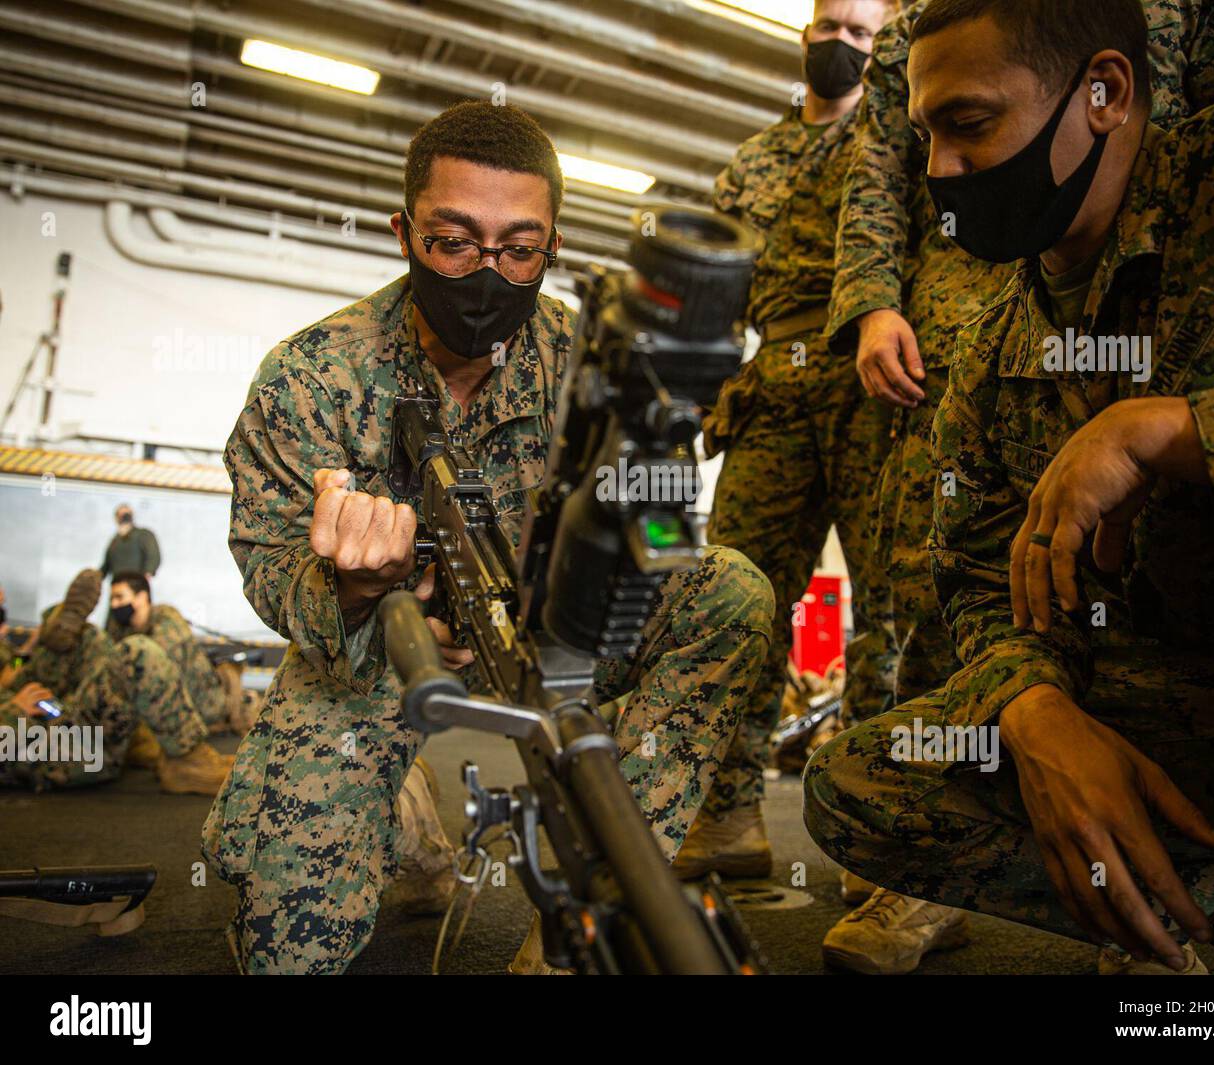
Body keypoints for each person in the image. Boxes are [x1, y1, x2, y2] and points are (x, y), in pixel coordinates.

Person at [202, 100, 774, 975]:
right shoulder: (312, 374)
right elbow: (272, 567)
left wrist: (637, 508)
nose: (488, 272)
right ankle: (397, 810)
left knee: (731, 588)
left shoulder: (587, 353)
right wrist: (354, 588)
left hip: (555, 628)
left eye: (519, 248)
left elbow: (660, 523)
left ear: (550, 245)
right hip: (379, 656)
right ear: (404, 233)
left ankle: (585, 913)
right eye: (454, 241)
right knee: (289, 951)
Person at [806, 0, 1214, 975]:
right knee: (864, 775)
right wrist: (1035, 712)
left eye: (970, 124)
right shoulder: (992, 340)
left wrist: (1184, 432)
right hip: (1203, 711)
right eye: (924, 135)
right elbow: (982, 584)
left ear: (1104, 92)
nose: (939, 170)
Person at [684, 0, 900, 883]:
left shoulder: (896, 142)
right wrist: (696, 396)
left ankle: (883, 835)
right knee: (738, 599)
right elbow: (717, 294)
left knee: (885, 613)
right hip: (772, 393)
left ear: (885, 45)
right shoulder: (753, 161)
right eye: (827, 23)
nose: (838, 42)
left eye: (860, 32)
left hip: (871, 383)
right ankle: (729, 811)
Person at [2, 568, 234, 794]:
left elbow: (13, 671)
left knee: (89, 638)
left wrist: (22, 657)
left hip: (53, 718)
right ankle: (185, 761)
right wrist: (14, 710)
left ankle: (57, 639)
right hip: (39, 747)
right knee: (137, 655)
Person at [107, 571, 252, 737]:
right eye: (112, 599)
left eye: (119, 597)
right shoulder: (123, 628)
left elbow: (152, 661)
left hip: (204, 707)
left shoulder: (167, 619)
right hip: (170, 710)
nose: (114, 604)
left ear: (141, 597)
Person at [101, 503, 160, 579]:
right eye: (122, 515)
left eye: (127, 515)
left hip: (136, 583)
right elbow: (106, 565)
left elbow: (153, 556)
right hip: (117, 583)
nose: (125, 518)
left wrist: (145, 577)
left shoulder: (143, 534)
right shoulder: (115, 541)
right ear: (116, 518)